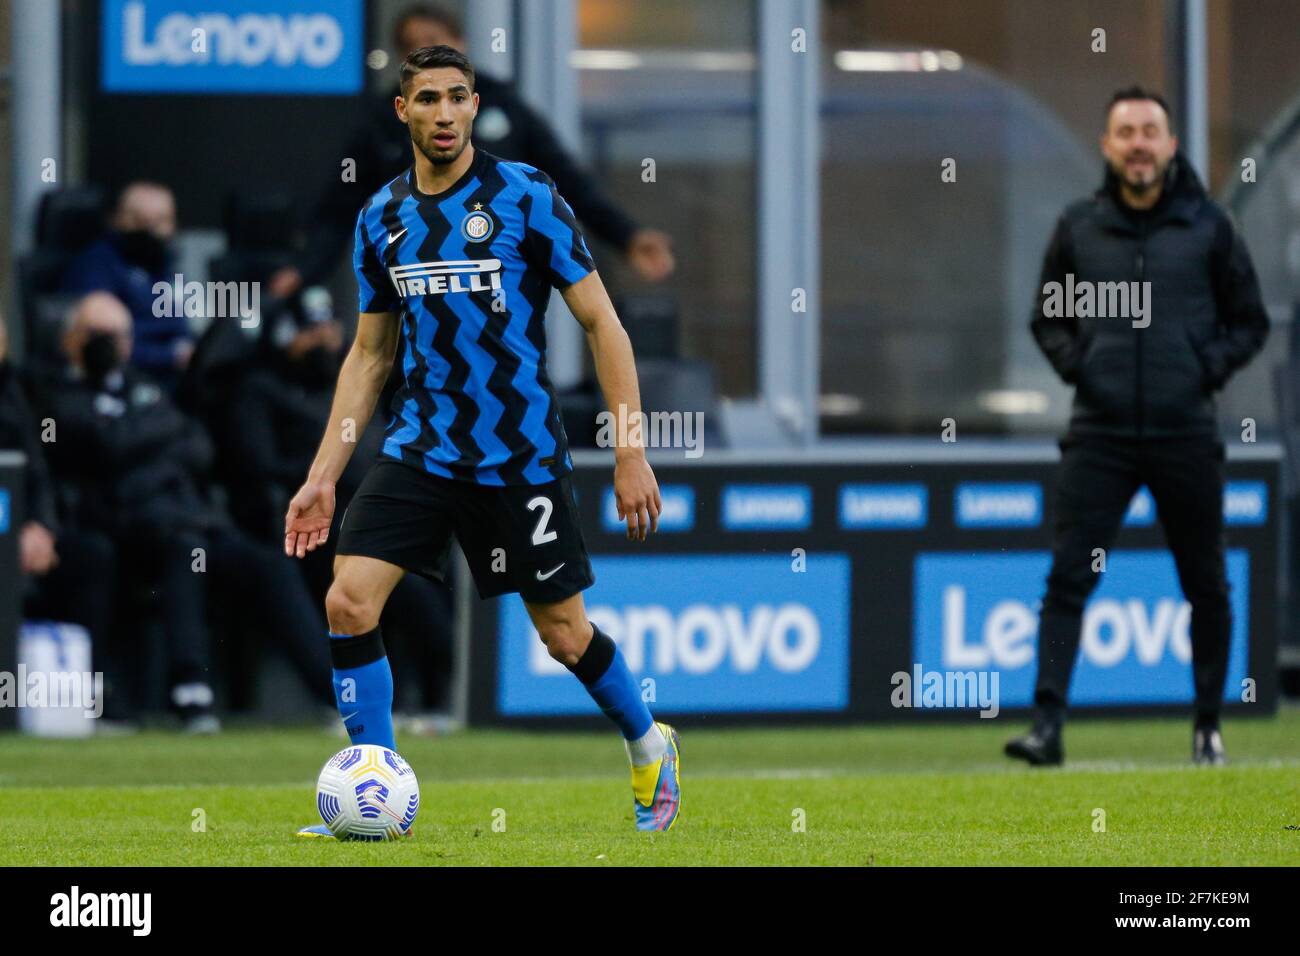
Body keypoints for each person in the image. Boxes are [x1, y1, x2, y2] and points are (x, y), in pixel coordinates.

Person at [285, 46, 680, 836]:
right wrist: (324, 474)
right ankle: (373, 792)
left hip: (519, 456)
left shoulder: (527, 196)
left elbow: (603, 322)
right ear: (404, 112)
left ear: (473, 107)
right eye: (426, 98)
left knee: (564, 635)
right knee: (348, 600)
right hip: (421, 448)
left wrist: (630, 450)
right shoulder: (383, 217)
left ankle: (649, 741)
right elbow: (370, 356)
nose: (443, 113)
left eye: (457, 97)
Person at [1005, 87, 1270, 767]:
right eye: (1126, 132)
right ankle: (1048, 727)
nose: (1139, 144)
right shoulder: (1079, 226)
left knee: (1204, 584)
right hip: (1101, 434)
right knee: (1068, 579)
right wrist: (1085, 368)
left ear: (1171, 144)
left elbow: (1251, 323)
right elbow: (1046, 318)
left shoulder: (1210, 228)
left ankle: (1207, 725)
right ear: (1107, 146)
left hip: (1186, 433)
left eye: (1150, 130)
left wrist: (1201, 368)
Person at [33, 293, 335, 731]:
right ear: (71, 339)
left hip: (191, 517)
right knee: (185, 550)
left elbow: (197, 445)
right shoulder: (54, 394)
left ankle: (336, 693)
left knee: (269, 563)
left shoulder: (145, 386)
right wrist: (147, 436)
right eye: (98, 335)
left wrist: (129, 433)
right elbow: (102, 447)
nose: (110, 344)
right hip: (123, 524)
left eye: (118, 335)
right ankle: (189, 688)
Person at [267, 2, 673, 299]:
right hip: (414, 278)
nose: (444, 119)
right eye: (411, 47)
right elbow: (337, 212)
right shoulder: (381, 128)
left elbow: (570, 181)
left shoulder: (510, 127)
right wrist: (303, 271)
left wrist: (626, 235)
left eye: (434, 42)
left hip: (500, 276)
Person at [0, 313, 116, 673]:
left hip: (21, 532)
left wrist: (41, 527)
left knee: (92, 556)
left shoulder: (16, 391)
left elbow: (36, 471)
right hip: (6, 532)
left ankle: (90, 690)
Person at [62, 182, 193, 392]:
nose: (150, 230)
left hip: (178, 378)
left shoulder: (166, 264)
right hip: (127, 378)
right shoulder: (97, 265)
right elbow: (100, 344)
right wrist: (170, 356)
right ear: (116, 219)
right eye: (139, 220)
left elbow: (183, 329)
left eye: (160, 221)